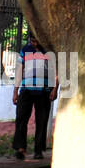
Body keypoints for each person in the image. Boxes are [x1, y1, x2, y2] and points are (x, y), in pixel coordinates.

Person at [12, 33, 58, 161]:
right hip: (26, 90)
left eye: (36, 41)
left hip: (44, 91)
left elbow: (56, 72)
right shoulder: (25, 51)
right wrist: (15, 91)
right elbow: (19, 72)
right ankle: (20, 149)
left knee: (42, 121)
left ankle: (38, 150)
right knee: (21, 118)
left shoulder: (49, 52)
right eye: (32, 41)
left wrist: (55, 89)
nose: (34, 43)